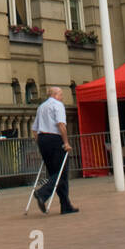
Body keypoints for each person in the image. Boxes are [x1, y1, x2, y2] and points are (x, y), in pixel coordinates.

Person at [32, 86, 78, 214]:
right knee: (62, 173)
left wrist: (40, 142)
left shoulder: (41, 107)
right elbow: (61, 125)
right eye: (61, 94)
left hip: (42, 139)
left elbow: (34, 129)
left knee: (54, 173)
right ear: (55, 94)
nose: (62, 97)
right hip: (54, 139)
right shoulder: (58, 105)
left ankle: (65, 205)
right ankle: (42, 193)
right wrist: (66, 142)